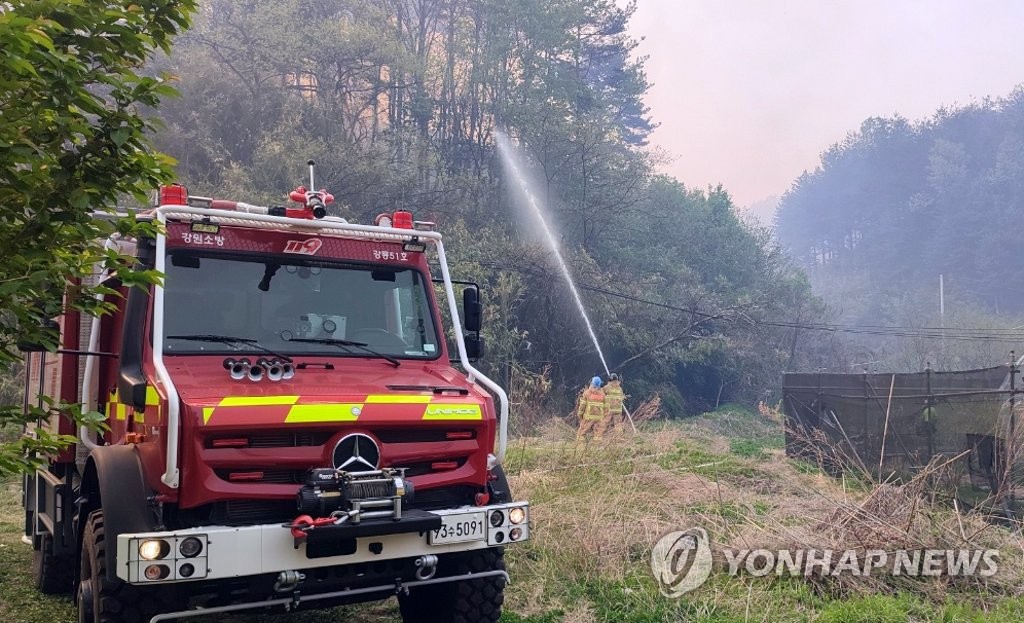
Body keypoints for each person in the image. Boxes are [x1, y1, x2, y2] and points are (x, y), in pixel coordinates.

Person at [576, 376, 607, 440]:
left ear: (591, 383)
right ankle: (597, 447)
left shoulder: (587, 393)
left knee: (581, 433)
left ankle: (580, 446)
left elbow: (582, 406)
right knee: (598, 435)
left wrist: (580, 415)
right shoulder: (603, 394)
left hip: (588, 417)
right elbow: (606, 408)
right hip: (598, 418)